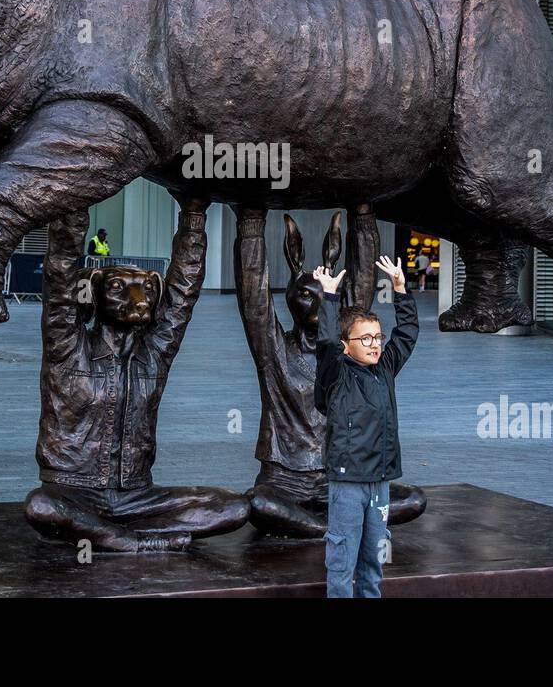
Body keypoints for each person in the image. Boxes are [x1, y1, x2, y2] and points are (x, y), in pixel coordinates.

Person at [24, 200, 248, 552]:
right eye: (118, 288)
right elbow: (60, 275)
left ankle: (104, 533)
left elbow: (183, 294)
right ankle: (128, 540)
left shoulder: (153, 355)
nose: (136, 297)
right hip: (73, 492)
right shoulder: (67, 347)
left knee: (233, 506)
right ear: (94, 296)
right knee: (41, 506)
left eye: (144, 288)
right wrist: (74, 197)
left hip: (136, 498)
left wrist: (194, 213)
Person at [234, 205, 426, 537]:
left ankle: (321, 526)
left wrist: (364, 214)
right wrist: (251, 220)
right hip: (285, 480)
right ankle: (337, 527)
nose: (317, 303)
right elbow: (254, 297)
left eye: (325, 296)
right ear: (291, 299)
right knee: (260, 504)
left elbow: (362, 286)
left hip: (341, 474)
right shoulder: (275, 351)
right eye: (307, 296)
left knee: (412, 499)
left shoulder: (355, 356)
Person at [312, 254, 418, 598]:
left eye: (377, 337)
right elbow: (326, 344)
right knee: (342, 559)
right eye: (365, 339)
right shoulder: (336, 375)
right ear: (347, 346)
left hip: (380, 482)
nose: (375, 344)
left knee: (374, 559)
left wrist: (400, 290)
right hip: (348, 483)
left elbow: (407, 335)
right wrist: (329, 297)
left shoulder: (384, 369)